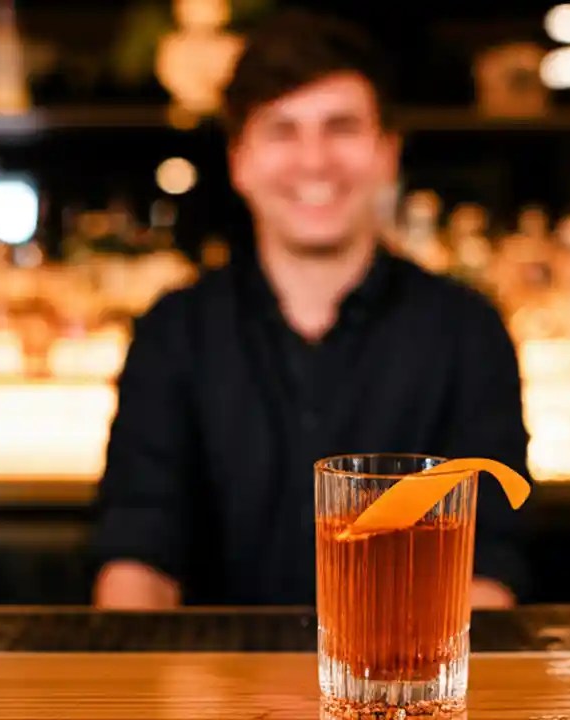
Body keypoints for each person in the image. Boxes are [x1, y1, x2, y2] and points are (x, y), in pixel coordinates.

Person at [88, 9, 532, 609]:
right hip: (215, 695)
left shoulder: (467, 330)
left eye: (341, 127)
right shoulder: (175, 329)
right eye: (282, 130)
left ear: (388, 153)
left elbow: (488, 566)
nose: (314, 160)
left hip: (404, 688)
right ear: (239, 160)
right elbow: (137, 550)